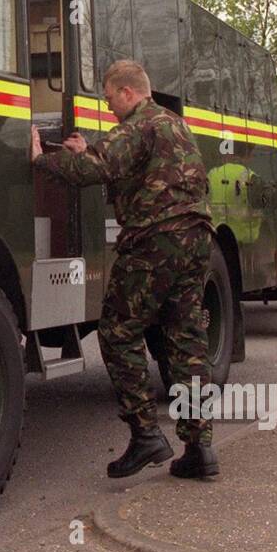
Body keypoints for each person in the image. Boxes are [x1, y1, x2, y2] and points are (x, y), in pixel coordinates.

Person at [30, 59, 219, 480]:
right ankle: (199, 448)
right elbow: (141, 175)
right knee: (186, 342)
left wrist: (43, 160)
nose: (109, 106)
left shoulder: (136, 125)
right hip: (195, 241)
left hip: (155, 242)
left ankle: (146, 435)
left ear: (128, 93)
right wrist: (89, 151)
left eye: (111, 97)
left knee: (117, 332)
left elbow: (94, 170)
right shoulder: (174, 124)